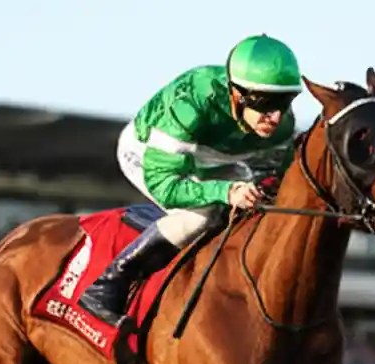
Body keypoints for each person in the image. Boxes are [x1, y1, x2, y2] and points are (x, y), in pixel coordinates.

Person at [77, 34, 303, 326]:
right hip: (150, 157)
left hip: (214, 161)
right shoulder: (191, 105)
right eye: (267, 103)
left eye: (285, 101)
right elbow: (166, 186)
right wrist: (225, 191)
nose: (275, 117)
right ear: (237, 94)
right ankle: (108, 284)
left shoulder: (282, 126)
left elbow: (277, 177)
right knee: (202, 216)